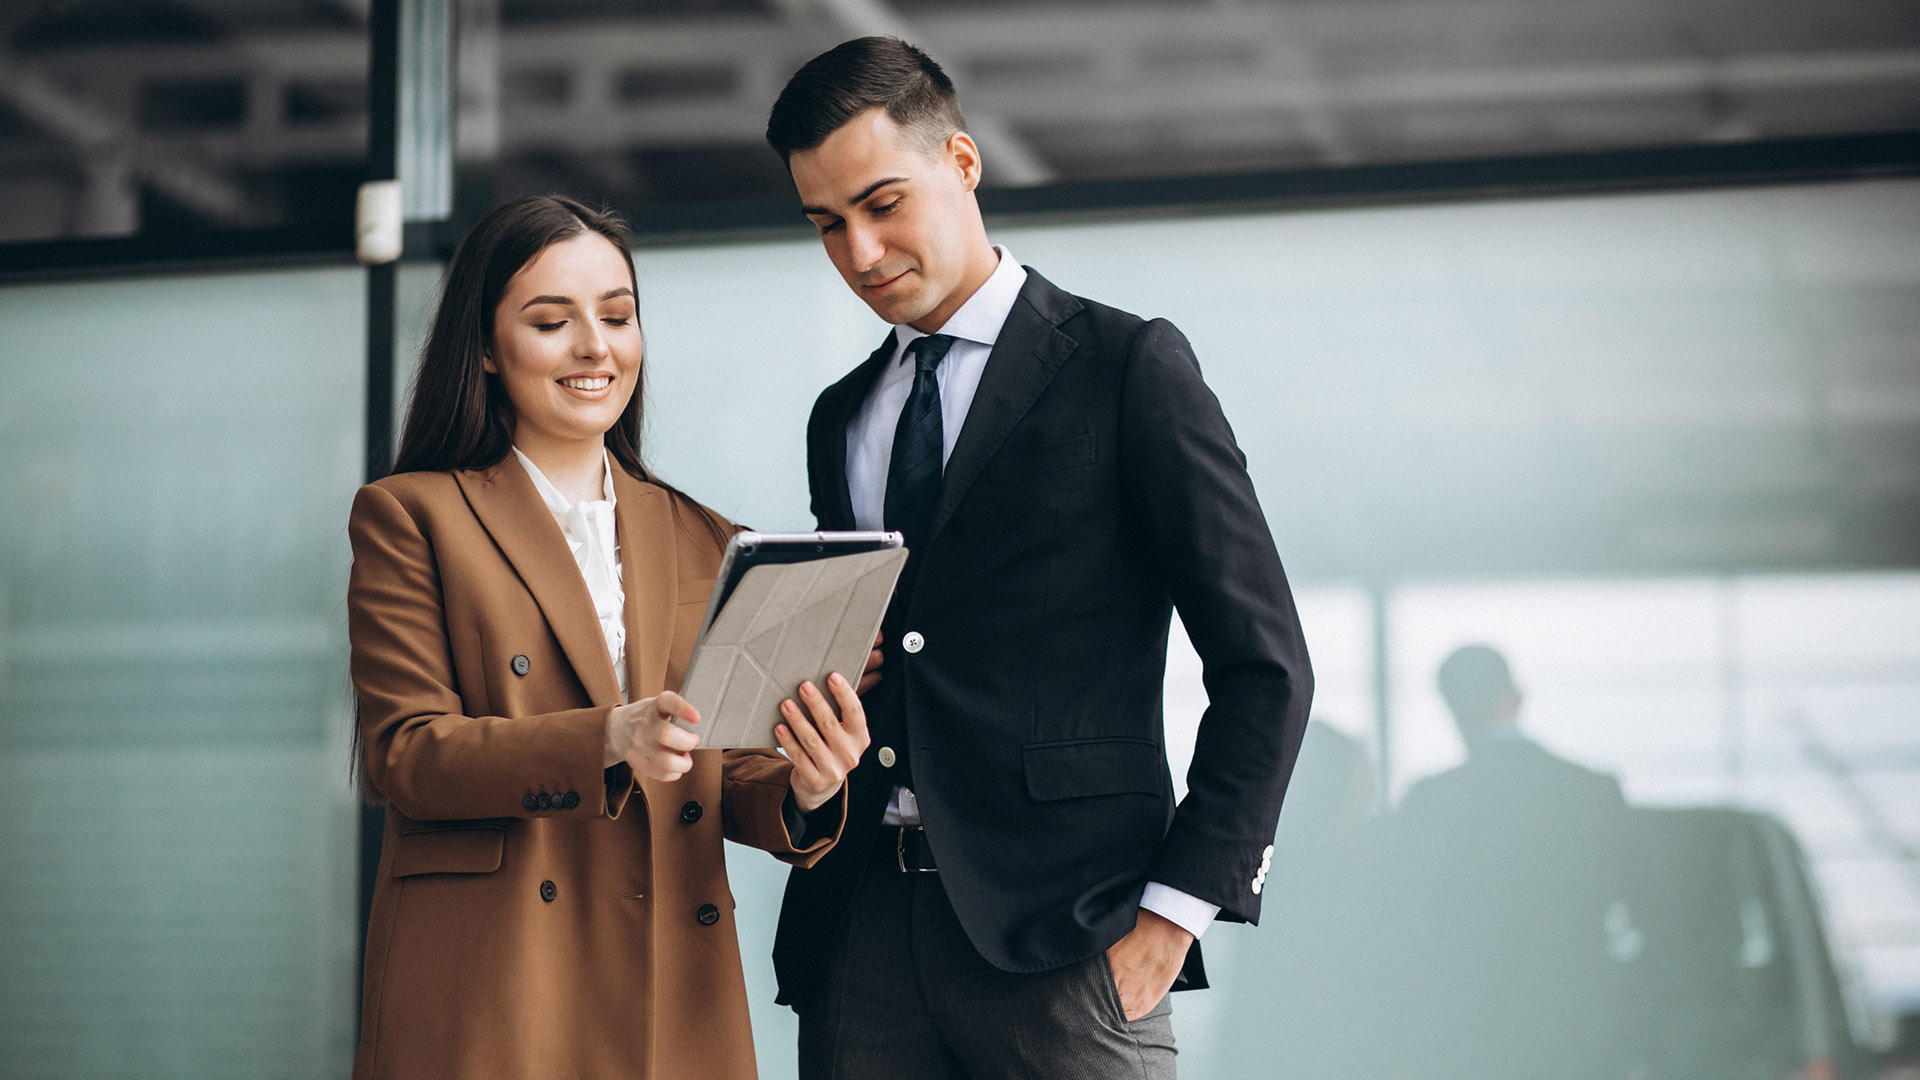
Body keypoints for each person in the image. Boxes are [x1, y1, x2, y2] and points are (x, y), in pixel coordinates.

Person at [763, 37, 1314, 1078]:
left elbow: (1267, 665)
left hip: (1069, 938)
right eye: (826, 224)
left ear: (963, 164)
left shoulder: (1125, 366)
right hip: (862, 932)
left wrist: (1175, 914)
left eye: (884, 204)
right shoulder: (839, 417)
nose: (861, 251)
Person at [345, 194, 872, 1080]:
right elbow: (408, 756)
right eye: (552, 321)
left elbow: (726, 762)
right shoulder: (412, 516)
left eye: (617, 316)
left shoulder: (706, 535)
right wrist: (608, 738)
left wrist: (807, 786)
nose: (596, 347)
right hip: (499, 980)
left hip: (673, 977)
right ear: (482, 346)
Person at [1388, 644, 1630, 1080]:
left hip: (1466, 1029)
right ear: (1516, 698)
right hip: (1575, 1022)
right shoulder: (1593, 791)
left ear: (1451, 707)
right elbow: (1625, 901)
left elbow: (1407, 913)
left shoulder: (1431, 800)